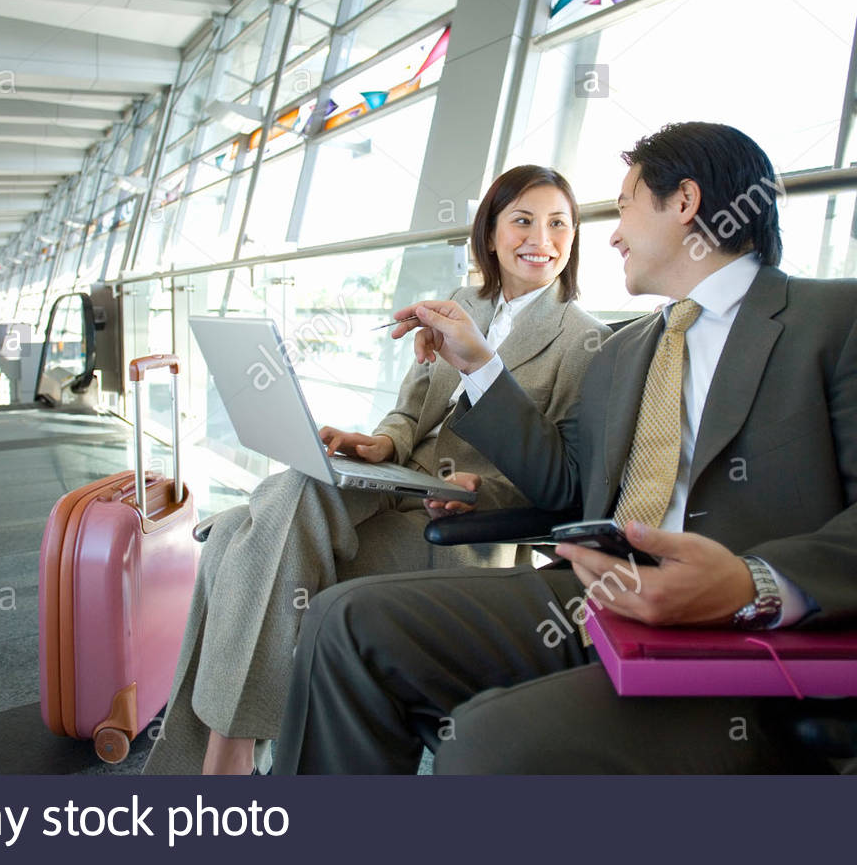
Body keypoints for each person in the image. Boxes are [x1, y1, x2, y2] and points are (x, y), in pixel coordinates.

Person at [271, 122, 857, 774]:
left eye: (624, 206)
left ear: (685, 202)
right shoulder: (625, 351)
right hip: (598, 601)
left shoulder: (853, 318)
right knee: (346, 623)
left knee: (489, 743)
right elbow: (563, 487)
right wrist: (479, 364)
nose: (610, 235)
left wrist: (753, 583)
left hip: (746, 647)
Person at [144, 165, 609, 775]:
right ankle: (230, 758)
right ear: (491, 234)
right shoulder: (459, 309)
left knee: (238, 540)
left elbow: (568, 477)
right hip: (401, 487)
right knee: (292, 490)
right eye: (522, 220)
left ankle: (219, 762)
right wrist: (383, 445)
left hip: (463, 524)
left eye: (558, 224)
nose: (540, 238)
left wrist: (486, 490)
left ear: (574, 238)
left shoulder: (584, 341)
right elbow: (410, 409)